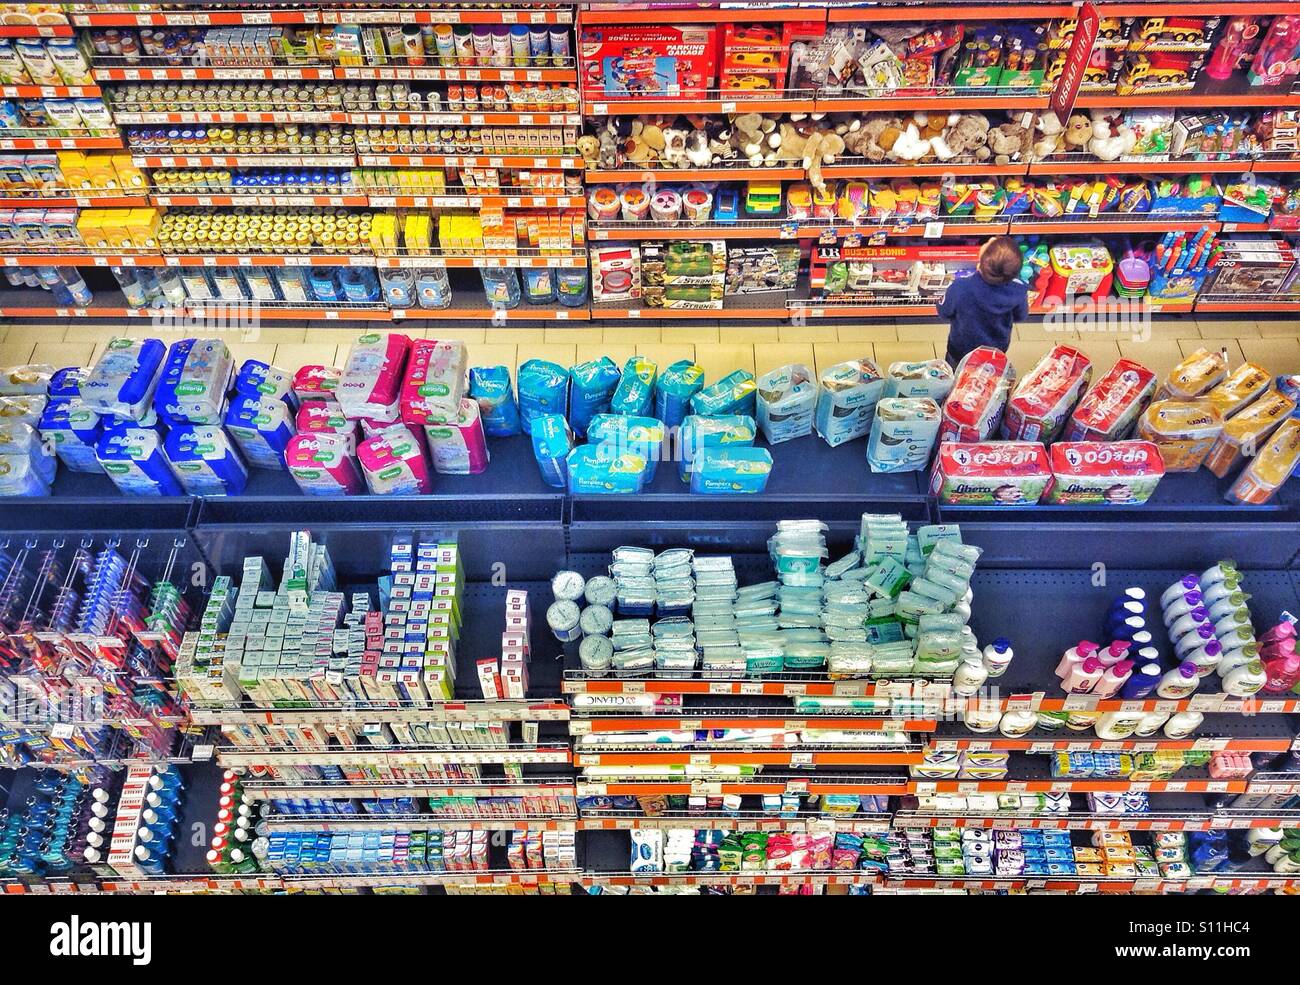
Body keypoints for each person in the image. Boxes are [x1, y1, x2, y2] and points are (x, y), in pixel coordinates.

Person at [937, 235, 1028, 367]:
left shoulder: (960, 287)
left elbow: (944, 311)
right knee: (987, 379)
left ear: (981, 262)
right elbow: (1021, 316)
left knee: (954, 375)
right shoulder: (1019, 290)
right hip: (995, 350)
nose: (991, 239)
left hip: (960, 350)